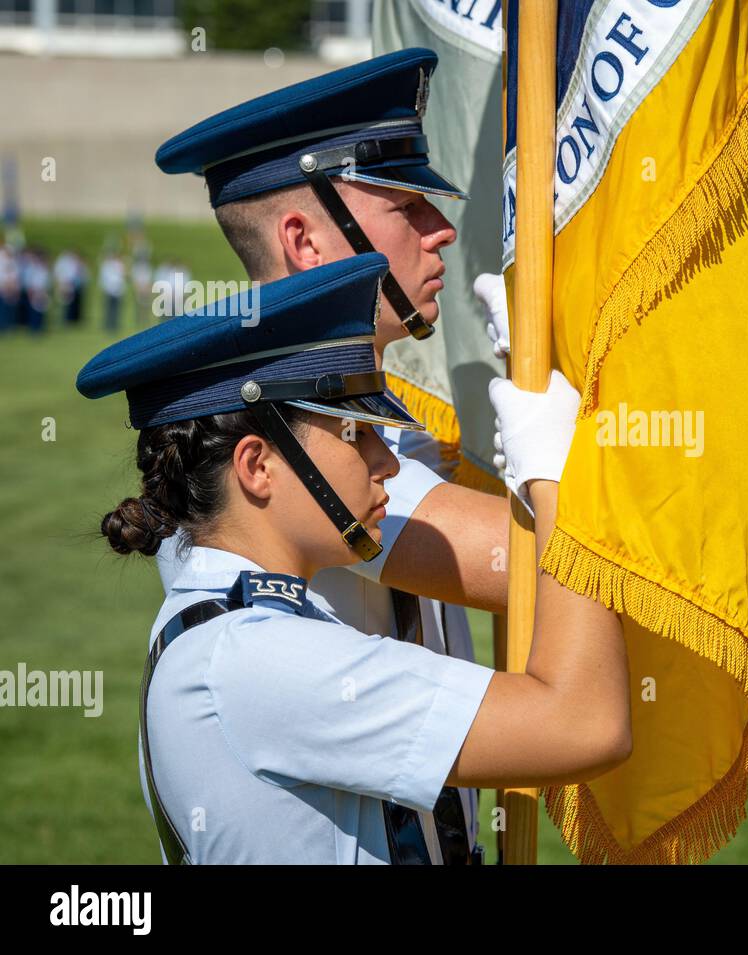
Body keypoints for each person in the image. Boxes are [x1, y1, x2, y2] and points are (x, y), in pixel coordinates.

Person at [77, 255, 629, 864]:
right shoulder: (257, 656)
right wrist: (558, 477)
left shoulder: (241, 630)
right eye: (355, 434)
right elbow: (584, 723)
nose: (386, 461)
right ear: (257, 466)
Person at [151, 48, 513, 858]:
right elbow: (547, 561)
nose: (442, 227)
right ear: (306, 242)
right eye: (404, 204)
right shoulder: (311, 465)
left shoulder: (375, 440)